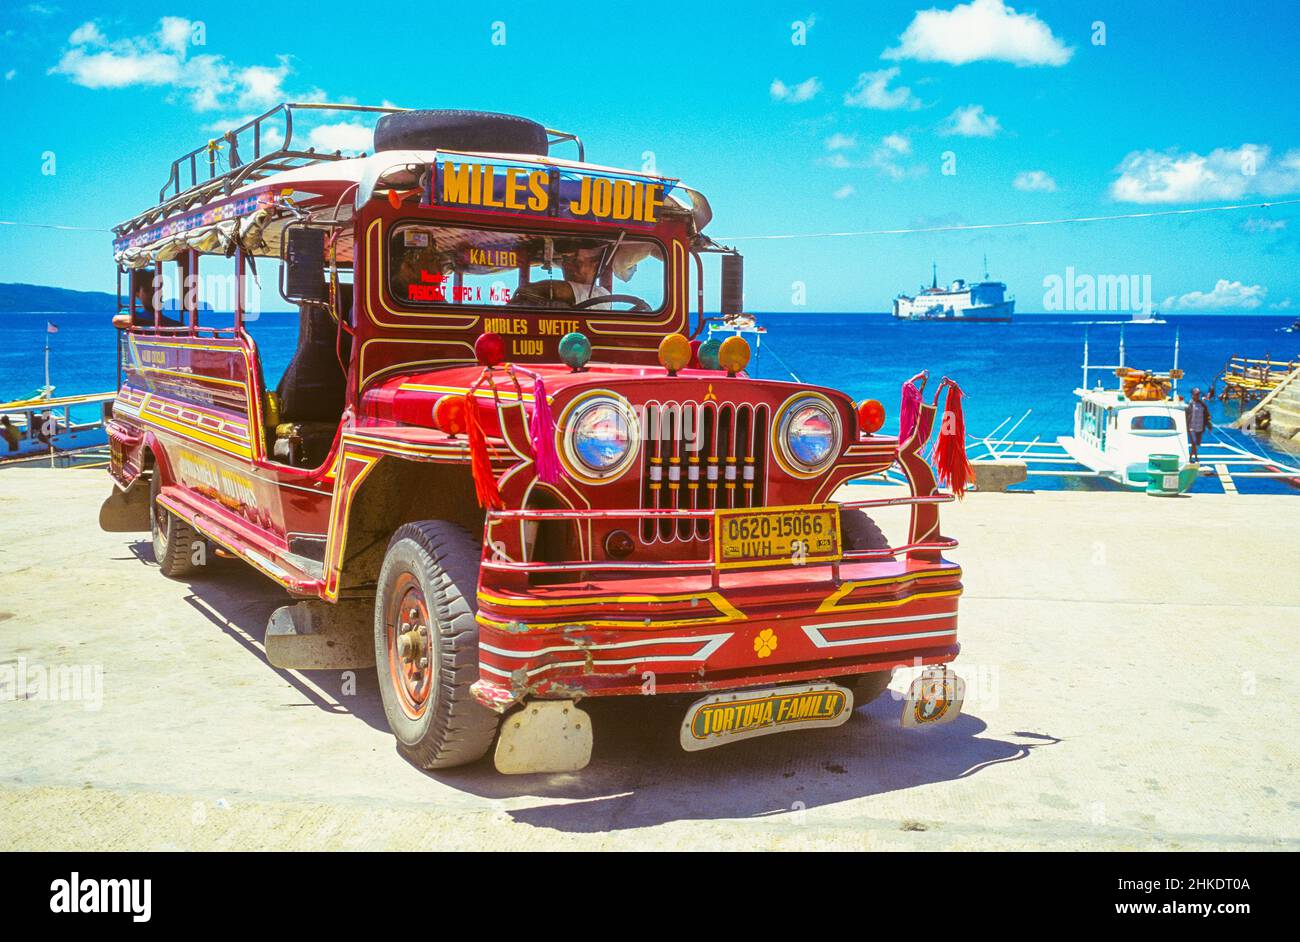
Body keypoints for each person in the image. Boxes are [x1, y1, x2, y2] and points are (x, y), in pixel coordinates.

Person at [1186, 387, 1212, 463]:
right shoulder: (1189, 404)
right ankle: (1194, 458)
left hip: (1200, 427)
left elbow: (1207, 415)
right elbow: (1185, 415)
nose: (1197, 396)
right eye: (1196, 394)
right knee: (1193, 443)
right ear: (1192, 395)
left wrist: (1209, 425)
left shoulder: (1202, 404)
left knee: (1196, 444)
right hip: (1191, 427)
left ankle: (1193, 458)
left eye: (1198, 394)